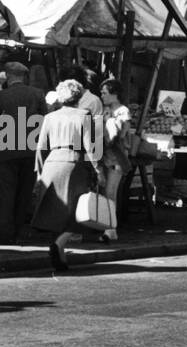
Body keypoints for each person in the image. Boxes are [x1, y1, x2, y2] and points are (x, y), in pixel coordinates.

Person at [31, 79, 97, 270]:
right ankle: (59, 245)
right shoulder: (85, 115)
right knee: (78, 212)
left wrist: (40, 173)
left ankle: (60, 257)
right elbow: (91, 148)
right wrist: (97, 170)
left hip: (52, 163)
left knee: (56, 211)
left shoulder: (50, 117)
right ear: (80, 95)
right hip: (73, 164)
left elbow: (41, 147)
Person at [0, 61, 46, 245]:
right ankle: (19, 231)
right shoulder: (37, 94)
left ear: (8, 76)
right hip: (30, 151)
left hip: (6, 151)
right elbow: (44, 120)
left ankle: (5, 233)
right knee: (24, 193)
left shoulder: (2, 96)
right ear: (23, 76)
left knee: (6, 193)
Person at [97, 77, 132, 242]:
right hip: (103, 155)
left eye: (105, 93)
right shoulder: (103, 109)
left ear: (114, 94)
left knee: (111, 192)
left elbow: (121, 135)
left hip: (116, 156)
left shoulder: (123, 111)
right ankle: (106, 226)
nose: (102, 96)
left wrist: (109, 121)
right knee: (104, 192)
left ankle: (111, 229)